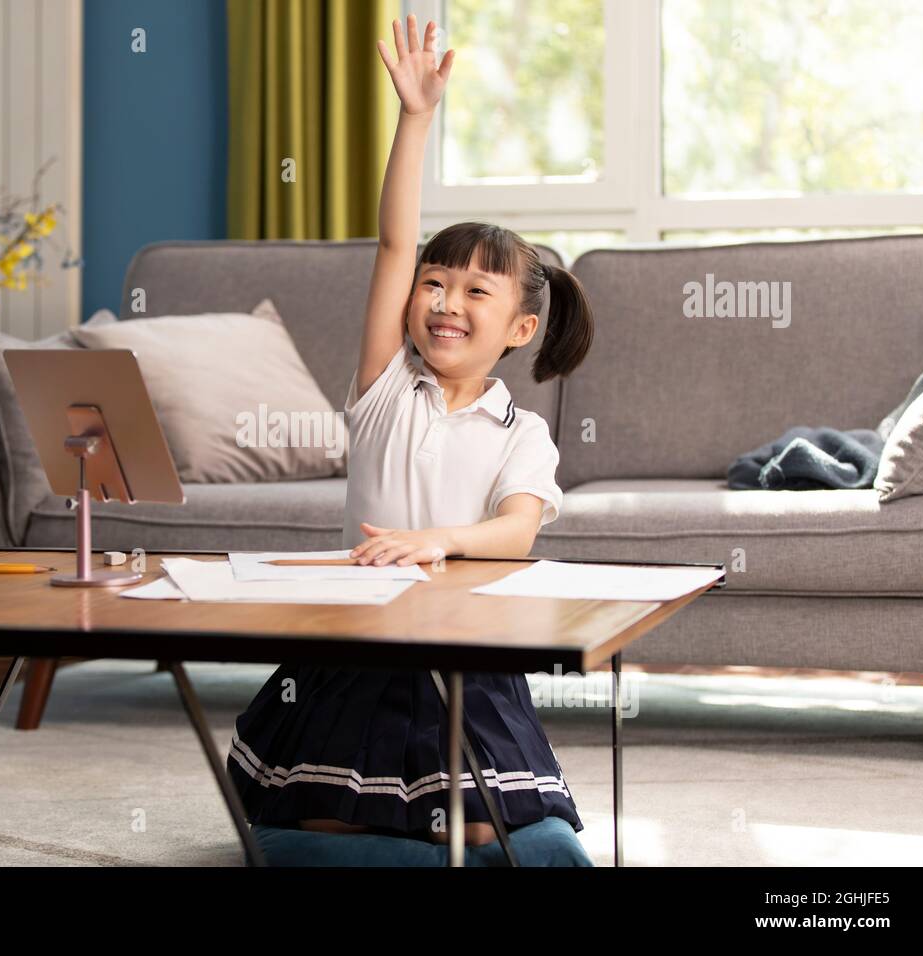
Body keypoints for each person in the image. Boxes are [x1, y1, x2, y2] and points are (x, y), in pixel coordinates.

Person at [225, 14, 596, 856]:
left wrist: (436, 541)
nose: (444, 303)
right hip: (352, 643)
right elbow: (396, 238)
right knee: (320, 822)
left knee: (482, 827)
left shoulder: (523, 431)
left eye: (475, 293)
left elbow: (518, 530)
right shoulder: (386, 388)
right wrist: (416, 118)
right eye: (435, 282)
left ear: (520, 328)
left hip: (464, 656)